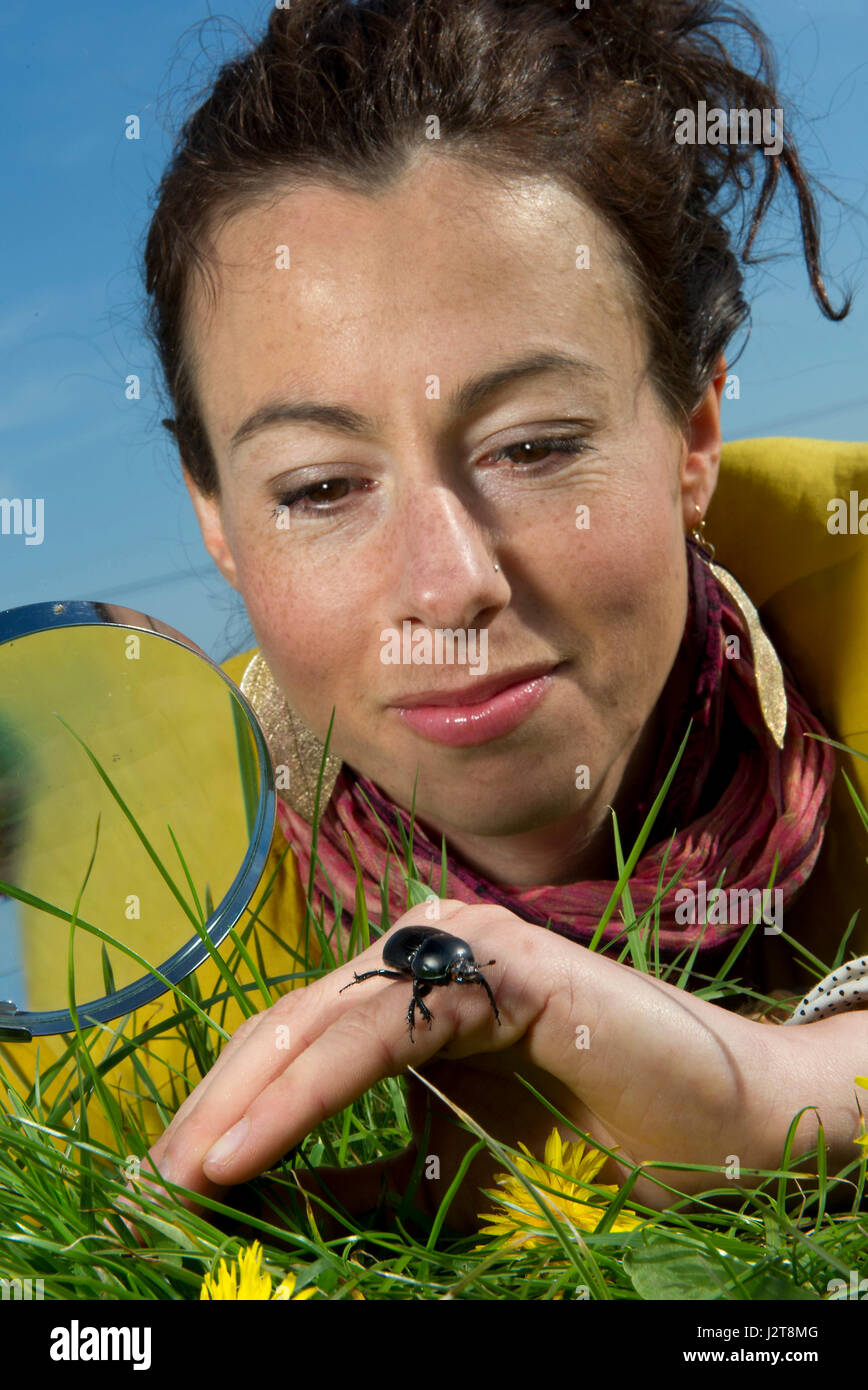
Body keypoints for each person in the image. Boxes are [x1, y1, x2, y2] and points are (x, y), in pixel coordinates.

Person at [5, 0, 868, 1240]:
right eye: (317, 488)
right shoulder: (141, 889)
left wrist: (786, 1095)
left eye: (533, 445)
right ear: (215, 519)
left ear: (692, 434)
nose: (448, 582)